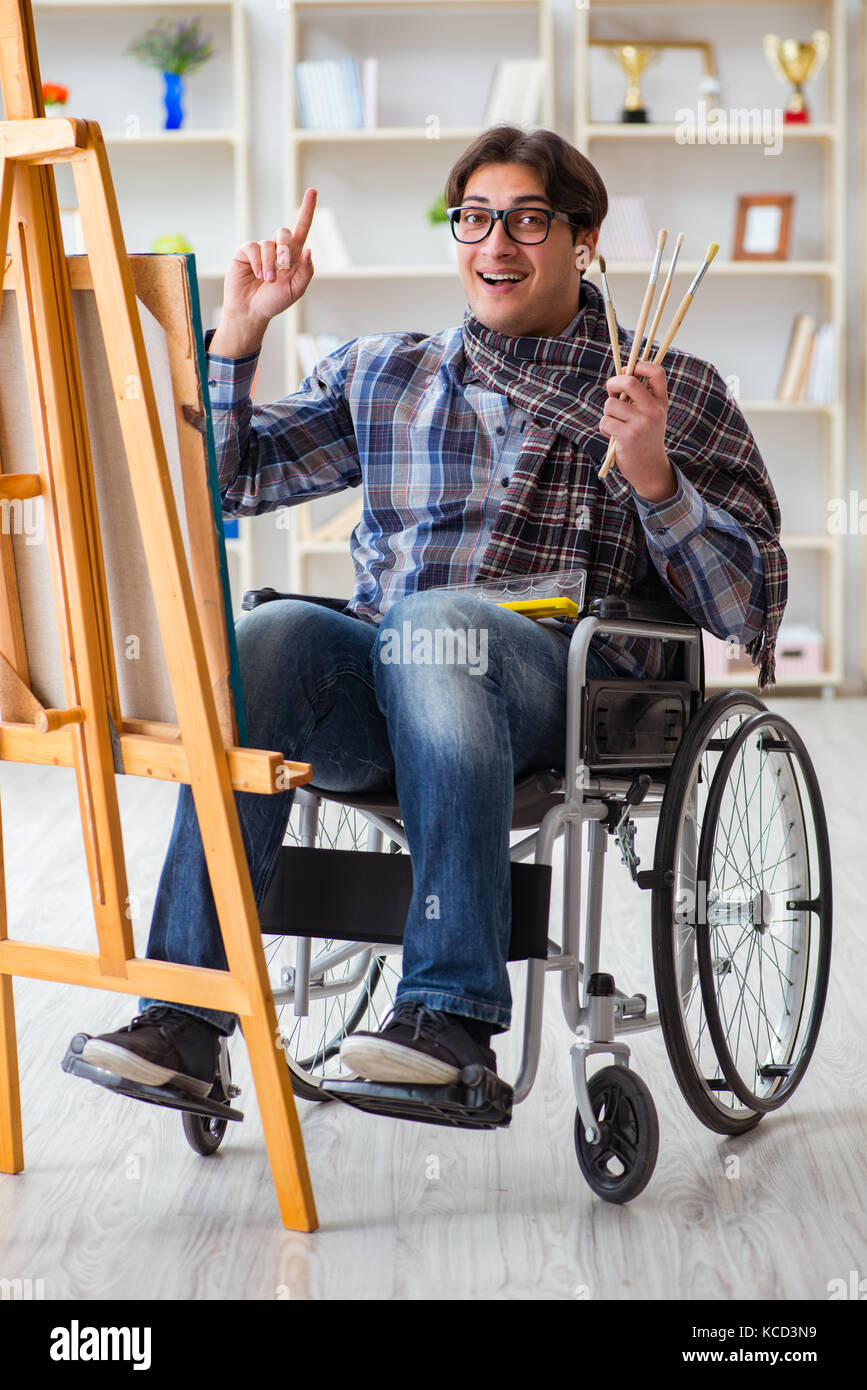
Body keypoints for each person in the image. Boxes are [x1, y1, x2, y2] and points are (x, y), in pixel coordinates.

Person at [74, 126, 786, 1098]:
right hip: (385, 680)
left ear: (584, 241)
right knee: (268, 638)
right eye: (475, 218)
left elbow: (745, 602)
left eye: (529, 220)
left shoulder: (669, 387)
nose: (497, 242)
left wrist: (658, 479)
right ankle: (184, 1023)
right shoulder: (387, 372)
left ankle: (449, 1021)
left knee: (432, 626)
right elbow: (227, 481)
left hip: (551, 686)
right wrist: (240, 334)